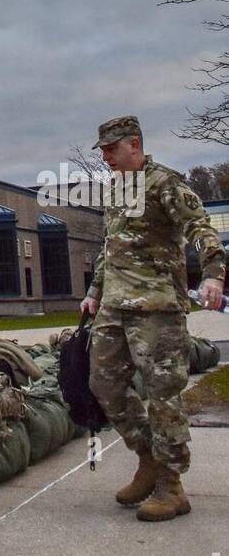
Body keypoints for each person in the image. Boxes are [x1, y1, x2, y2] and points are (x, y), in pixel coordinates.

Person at [81, 116, 226, 521]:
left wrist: (214, 274)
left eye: (111, 149)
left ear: (134, 144)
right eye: (102, 151)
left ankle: (171, 485)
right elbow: (111, 247)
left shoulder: (165, 183)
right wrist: (94, 293)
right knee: (104, 384)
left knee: (163, 396)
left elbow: (200, 228)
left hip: (157, 309)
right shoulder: (117, 190)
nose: (106, 157)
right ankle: (147, 458)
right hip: (114, 307)